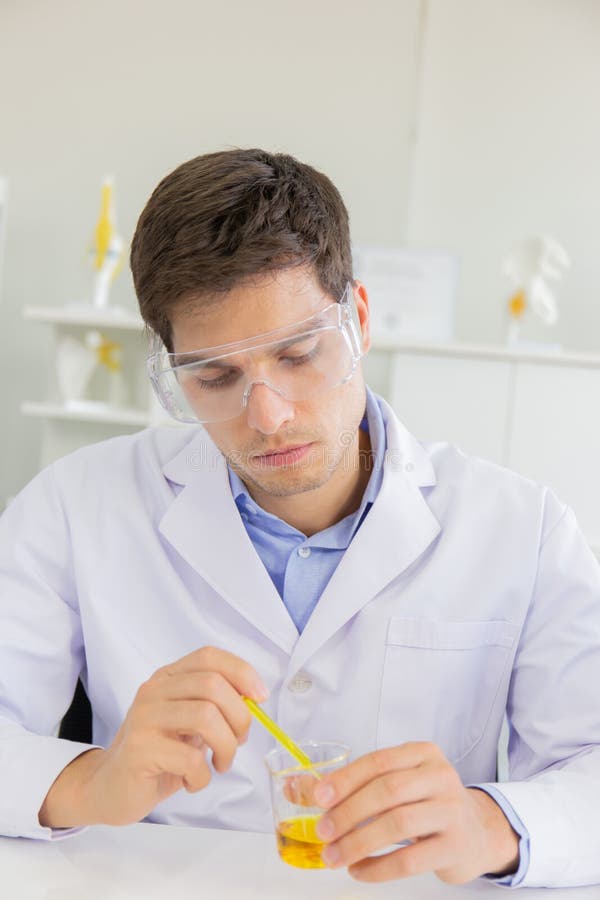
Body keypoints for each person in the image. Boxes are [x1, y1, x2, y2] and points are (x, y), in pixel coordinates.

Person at [1, 149, 599, 889]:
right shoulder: (75, 506)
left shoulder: (521, 529)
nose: (268, 416)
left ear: (360, 321)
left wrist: (492, 824)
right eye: (215, 376)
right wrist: (92, 781)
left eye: (299, 354)